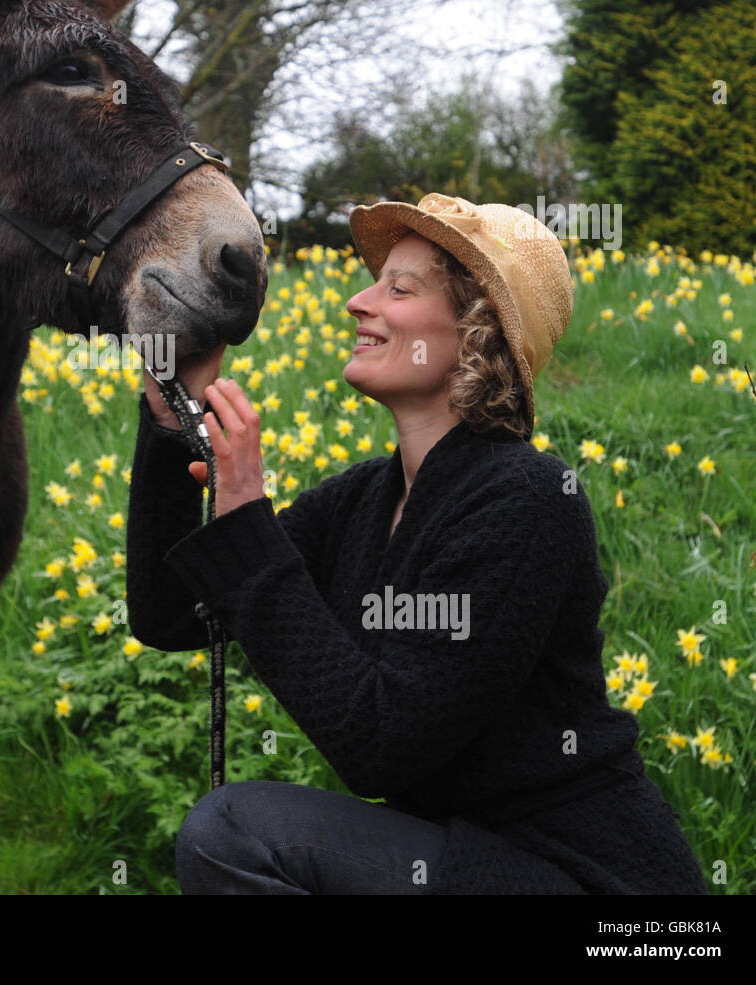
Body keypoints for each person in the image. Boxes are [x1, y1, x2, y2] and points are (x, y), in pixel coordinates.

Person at [126, 192, 708, 895]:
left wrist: (249, 518)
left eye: (398, 288)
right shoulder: (364, 501)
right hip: (466, 861)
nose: (357, 303)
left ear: (476, 332)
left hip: (591, 881)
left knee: (236, 833)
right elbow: (171, 615)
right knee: (235, 832)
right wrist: (168, 424)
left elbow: (382, 744)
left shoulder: (527, 501)